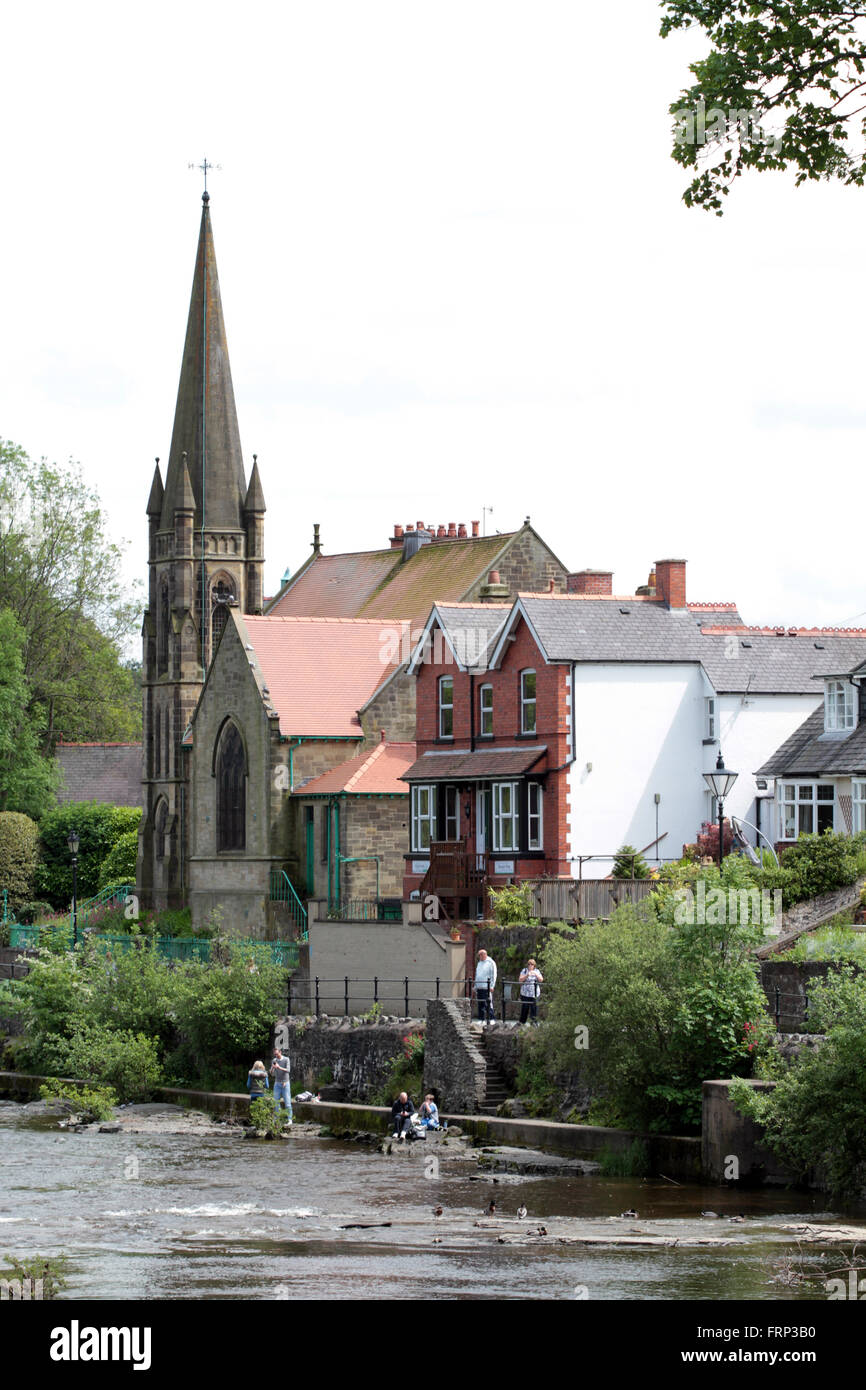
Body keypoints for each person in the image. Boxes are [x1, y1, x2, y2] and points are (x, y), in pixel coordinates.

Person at [270, 1047, 293, 1125]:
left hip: (285, 1083)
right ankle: (277, 1118)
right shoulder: (274, 1061)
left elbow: (288, 1070)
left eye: (277, 1054)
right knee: (276, 1102)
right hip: (277, 1083)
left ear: (280, 1052)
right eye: (274, 1054)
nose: (276, 1055)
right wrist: (272, 1068)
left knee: (287, 1102)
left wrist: (279, 1067)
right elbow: (272, 1074)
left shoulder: (286, 1059)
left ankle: (289, 1119)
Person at [474, 948, 497, 1023]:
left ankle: (491, 1018)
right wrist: (475, 986)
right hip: (479, 986)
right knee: (480, 1003)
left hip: (486, 987)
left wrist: (492, 986)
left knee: (488, 1003)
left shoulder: (491, 963)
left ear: (484, 954)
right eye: (479, 955)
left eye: (480, 955)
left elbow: (493, 975)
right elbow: (477, 975)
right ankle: (481, 1019)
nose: (479, 957)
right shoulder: (479, 963)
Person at [518, 959, 544, 1024]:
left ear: (534, 965)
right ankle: (522, 1023)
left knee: (534, 1008)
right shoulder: (524, 971)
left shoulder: (537, 971)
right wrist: (527, 975)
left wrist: (535, 974)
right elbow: (520, 980)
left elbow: (541, 980)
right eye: (529, 964)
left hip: (534, 994)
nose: (530, 965)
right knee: (524, 1008)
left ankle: (534, 1023)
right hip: (525, 994)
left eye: (531, 964)